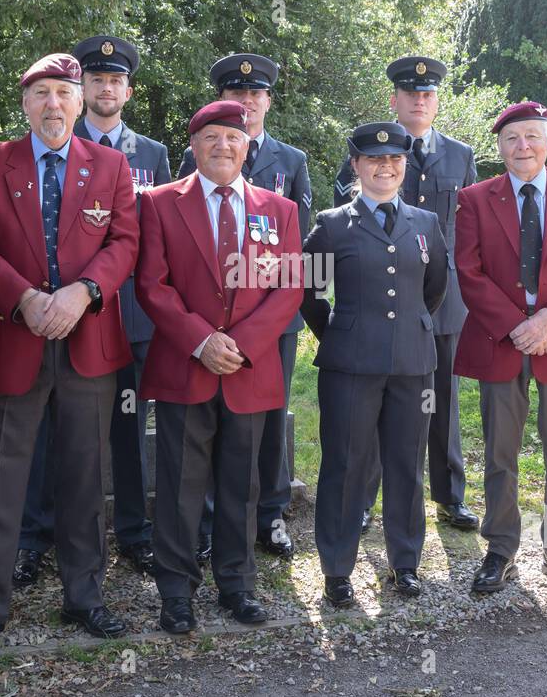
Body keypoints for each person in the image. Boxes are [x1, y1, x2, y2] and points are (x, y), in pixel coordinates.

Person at [0, 53, 138, 657]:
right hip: (11, 339)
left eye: (64, 92)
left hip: (87, 345)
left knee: (86, 477)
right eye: (41, 94)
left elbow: (125, 241)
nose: (53, 104)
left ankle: (86, 597)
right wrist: (23, 298)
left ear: (80, 102)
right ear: (25, 104)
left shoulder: (110, 165)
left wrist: (84, 293)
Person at [136, 100, 303, 633]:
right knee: (182, 487)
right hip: (188, 366)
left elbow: (289, 287)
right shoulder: (160, 204)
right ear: (194, 146)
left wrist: (241, 343)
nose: (223, 146)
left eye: (233, 138)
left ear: (248, 145)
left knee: (242, 484)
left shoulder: (279, 210)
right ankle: (176, 591)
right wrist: (202, 340)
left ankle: (237, 585)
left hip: (249, 370)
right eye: (211, 137)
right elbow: (151, 286)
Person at [12, 35, 170, 583]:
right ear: (83, 93)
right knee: (46, 431)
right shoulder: (55, 137)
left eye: (116, 80)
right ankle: (35, 536)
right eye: (96, 80)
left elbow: (150, 239)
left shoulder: (153, 154)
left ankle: (132, 532)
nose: (106, 89)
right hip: (61, 312)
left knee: (127, 430)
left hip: (130, 314)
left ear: (127, 90)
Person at [453, 101, 547, 596]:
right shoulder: (475, 198)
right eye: (512, 138)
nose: (523, 146)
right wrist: (518, 326)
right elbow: (469, 273)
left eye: (532, 136)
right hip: (501, 340)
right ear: (498, 147)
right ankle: (500, 547)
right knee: (501, 450)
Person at [301, 122, 448, 605]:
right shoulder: (330, 224)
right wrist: (339, 334)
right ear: (357, 166)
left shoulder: (426, 224)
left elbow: (434, 288)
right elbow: (308, 291)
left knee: (406, 464)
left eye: (394, 161)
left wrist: (408, 326)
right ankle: (337, 569)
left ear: (404, 167)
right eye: (374, 161)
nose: (385, 167)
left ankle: (404, 563)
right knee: (345, 464)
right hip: (350, 366)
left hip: (412, 361)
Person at [333, 56, 479, 531]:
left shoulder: (460, 156)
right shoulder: (368, 149)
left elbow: (471, 227)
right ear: (393, 100)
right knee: (375, 400)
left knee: (442, 400)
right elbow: (345, 221)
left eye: (428, 93)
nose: (420, 100)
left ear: (437, 102)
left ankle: (449, 495)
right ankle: (364, 500)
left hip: (443, 298)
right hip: (379, 299)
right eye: (411, 93)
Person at [179, 53, 311, 559]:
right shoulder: (201, 152)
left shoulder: (291, 161)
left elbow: (301, 247)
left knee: (269, 418)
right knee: (214, 416)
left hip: (272, 320)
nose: (247, 102)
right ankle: (214, 519)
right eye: (237, 95)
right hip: (211, 321)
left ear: (268, 103)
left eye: (255, 95)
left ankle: (271, 514)